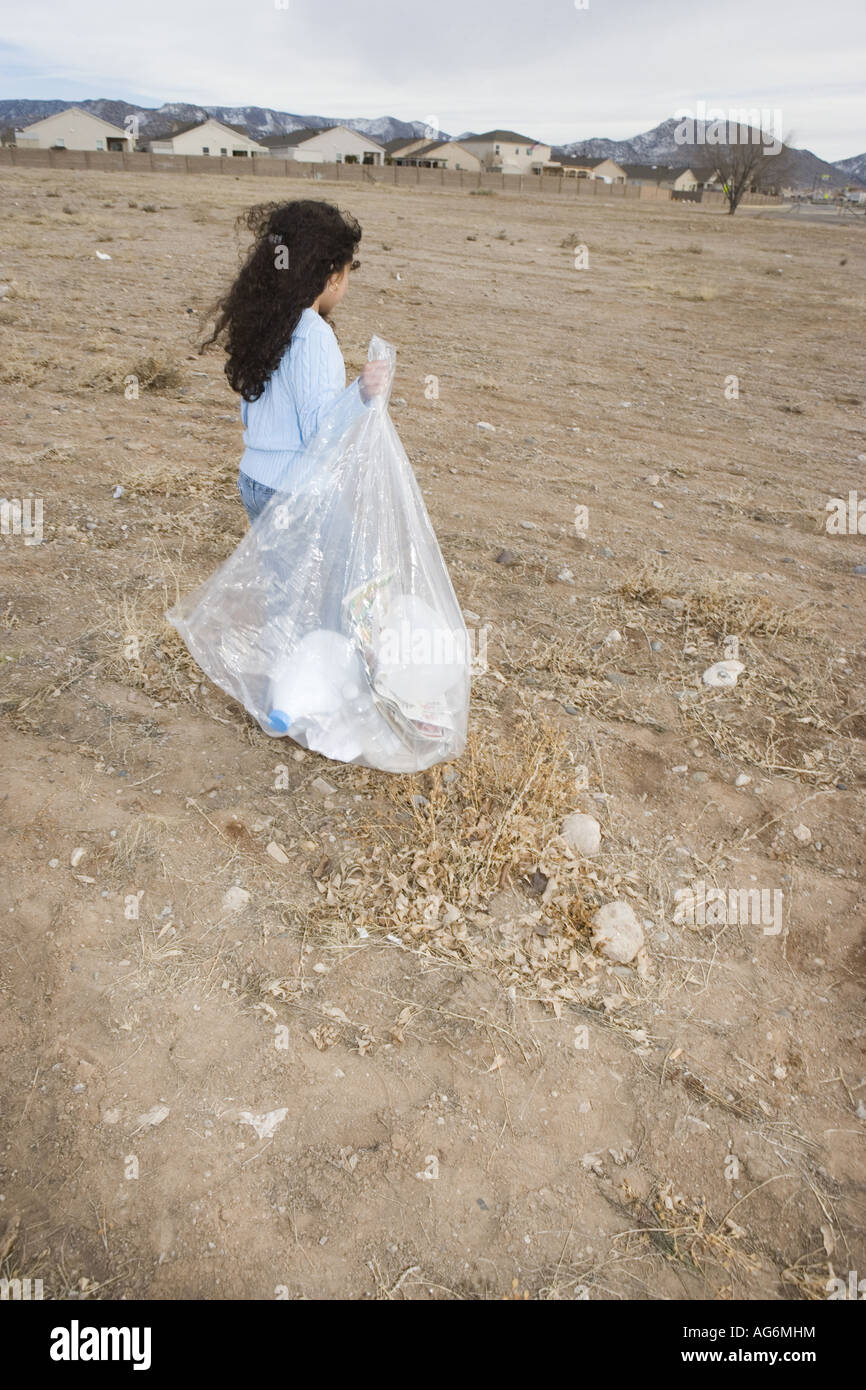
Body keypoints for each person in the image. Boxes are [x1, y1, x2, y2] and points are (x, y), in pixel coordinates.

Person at [203, 199, 390, 524]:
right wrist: (360, 392)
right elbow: (319, 431)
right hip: (295, 492)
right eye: (347, 273)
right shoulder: (313, 334)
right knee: (333, 575)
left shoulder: (266, 322)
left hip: (254, 480)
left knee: (283, 576)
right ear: (331, 276)